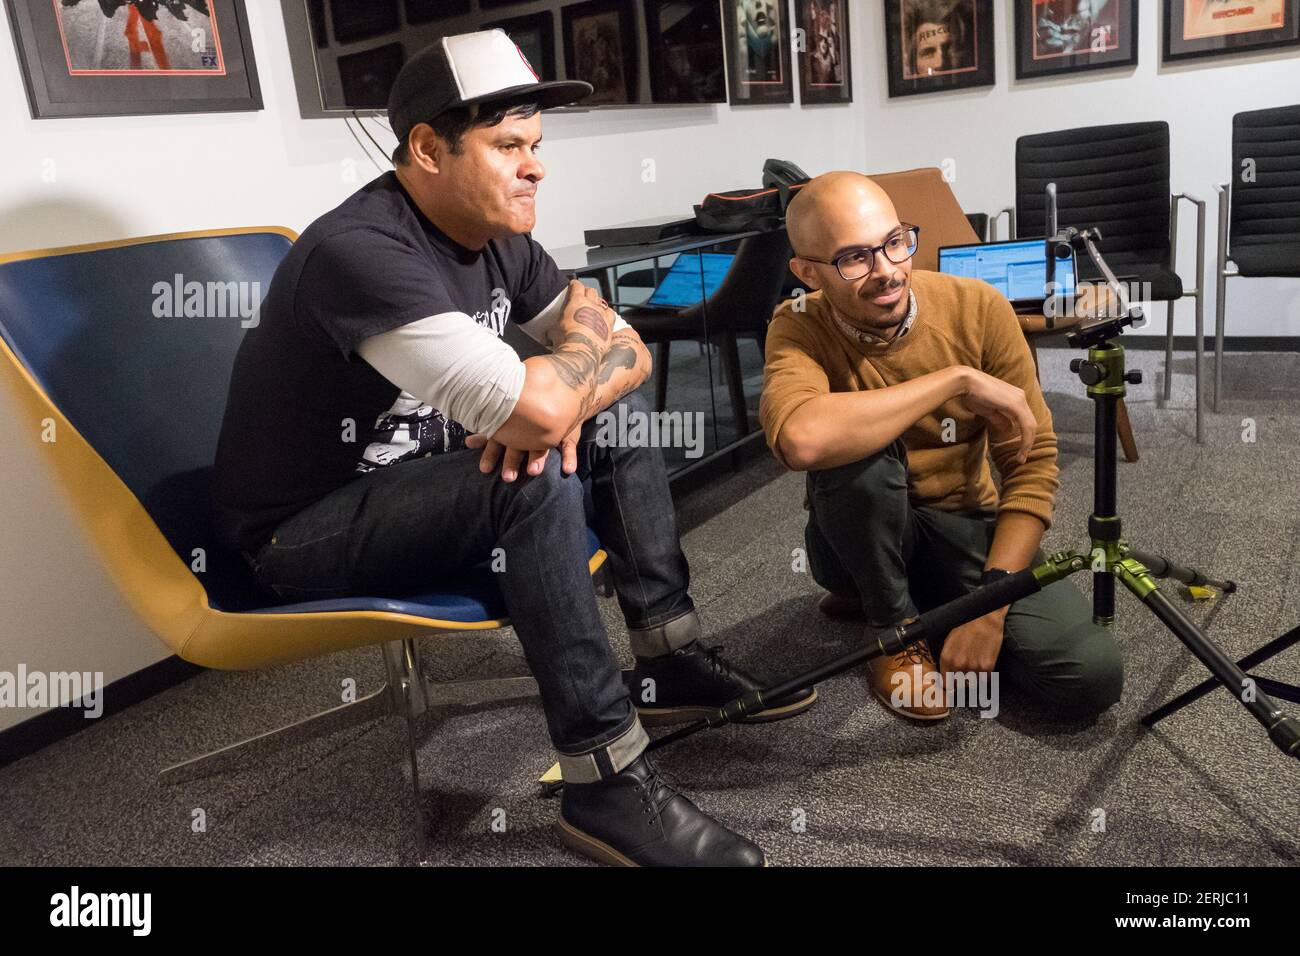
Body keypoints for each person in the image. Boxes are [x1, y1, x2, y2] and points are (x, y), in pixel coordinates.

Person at [212, 30, 814, 867]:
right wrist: (556, 396)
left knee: (603, 424)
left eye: (535, 146)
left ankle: (668, 661)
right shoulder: (359, 252)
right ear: (427, 148)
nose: (536, 167)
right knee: (529, 476)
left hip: (417, 486)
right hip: (297, 532)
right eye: (508, 147)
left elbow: (629, 349)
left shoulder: (498, 235)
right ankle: (603, 778)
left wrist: (565, 399)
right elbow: (558, 386)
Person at [760, 172, 1123, 721]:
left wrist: (990, 609)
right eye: (853, 259)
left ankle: (911, 598)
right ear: (808, 273)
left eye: (894, 242)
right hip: (858, 530)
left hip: (966, 525)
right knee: (854, 452)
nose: (886, 270)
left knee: (1088, 677)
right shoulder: (798, 324)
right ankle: (893, 627)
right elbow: (800, 440)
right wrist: (954, 380)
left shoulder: (977, 306)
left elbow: (1033, 465)